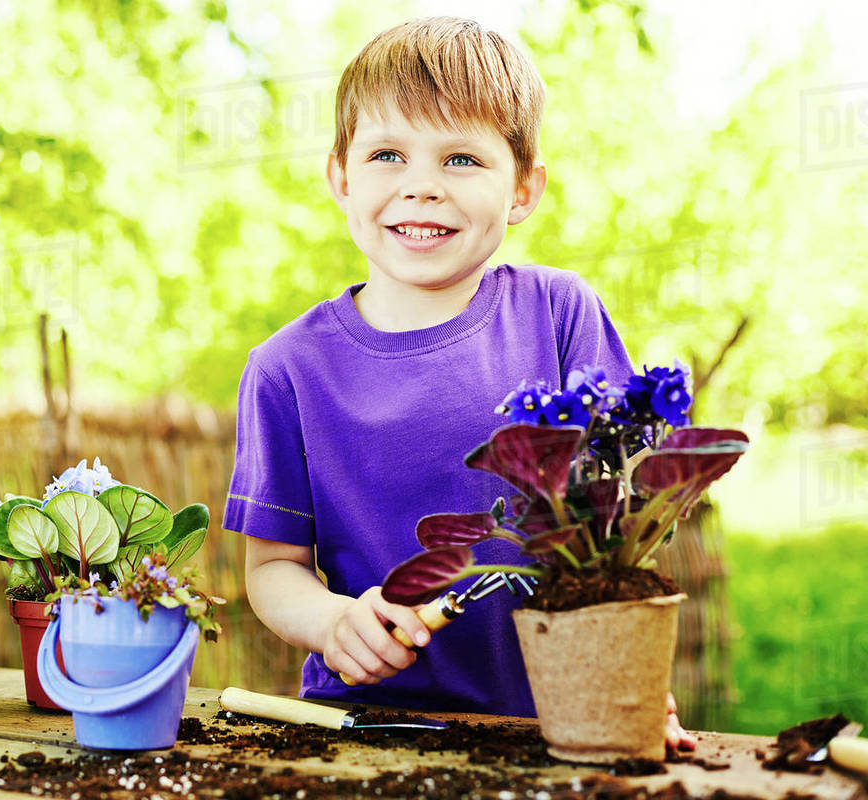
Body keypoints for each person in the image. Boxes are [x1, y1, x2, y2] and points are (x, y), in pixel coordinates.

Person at [222, 16, 694, 749]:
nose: (422, 188)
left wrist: (623, 674)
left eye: (462, 160)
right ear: (341, 178)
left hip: (558, 718)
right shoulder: (286, 369)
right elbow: (273, 570)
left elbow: (619, 534)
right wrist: (335, 623)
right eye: (387, 154)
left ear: (523, 189)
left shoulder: (560, 313)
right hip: (365, 728)